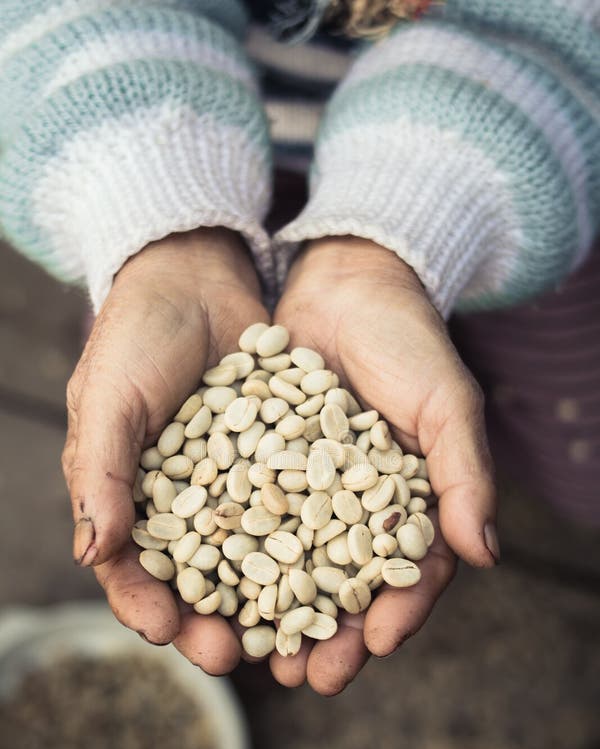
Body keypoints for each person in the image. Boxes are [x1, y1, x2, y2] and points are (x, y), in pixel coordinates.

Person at [0, 1, 598, 694]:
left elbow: (547, 28)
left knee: (579, 457)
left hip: (494, 169)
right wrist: (160, 234)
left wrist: (394, 238)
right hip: (182, 149)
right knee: (149, 402)